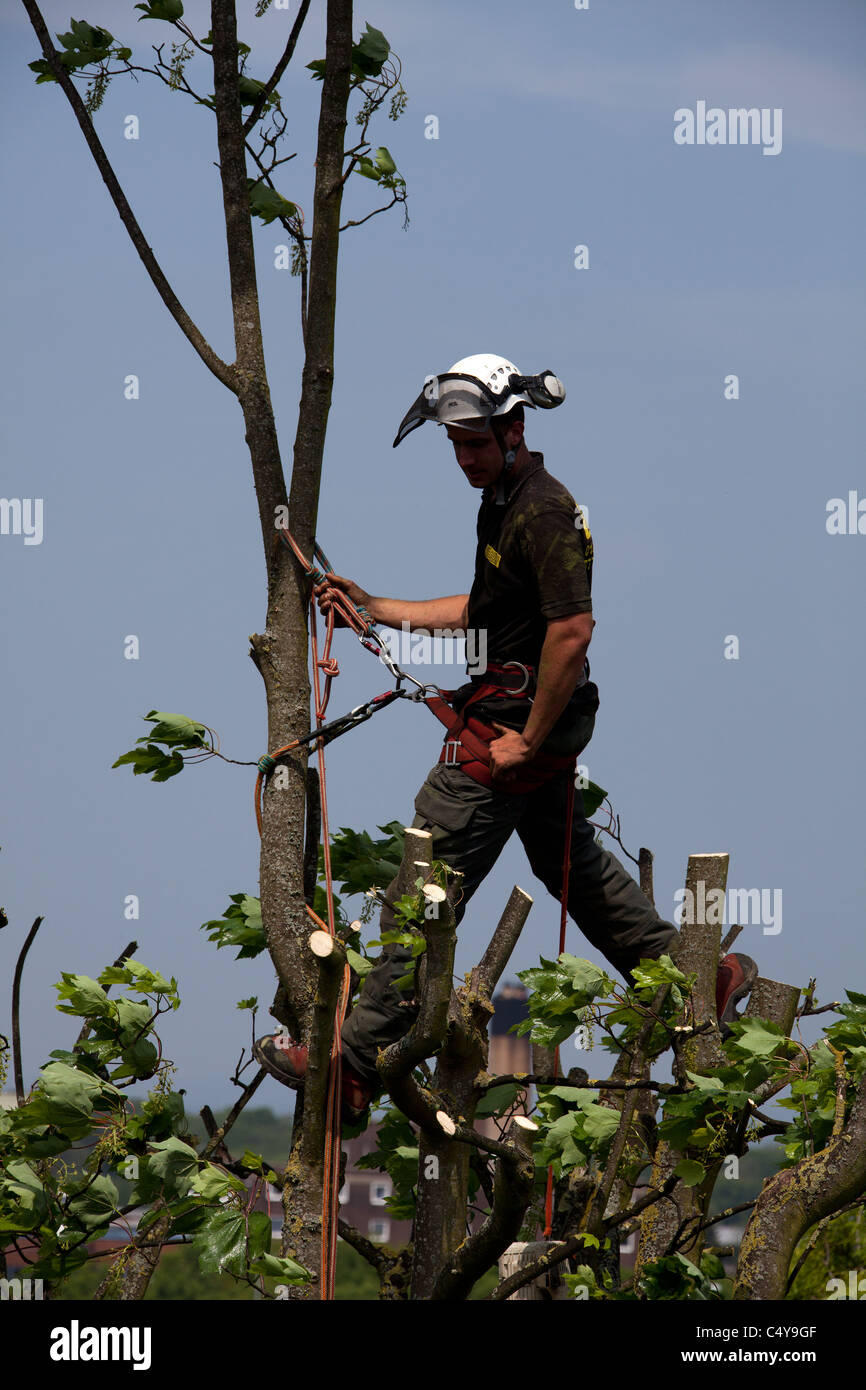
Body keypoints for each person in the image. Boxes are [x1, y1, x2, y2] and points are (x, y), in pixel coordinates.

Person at [254, 355, 757, 1120]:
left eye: (475, 443)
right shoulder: (503, 500)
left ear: (515, 429)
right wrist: (381, 607)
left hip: (510, 736)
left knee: (422, 888)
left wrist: (527, 741)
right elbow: (487, 609)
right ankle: (697, 978)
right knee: (573, 870)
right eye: (454, 444)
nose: (463, 458)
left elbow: (572, 630)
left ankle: (352, 1065)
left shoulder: (542, 511)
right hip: (523, 727)